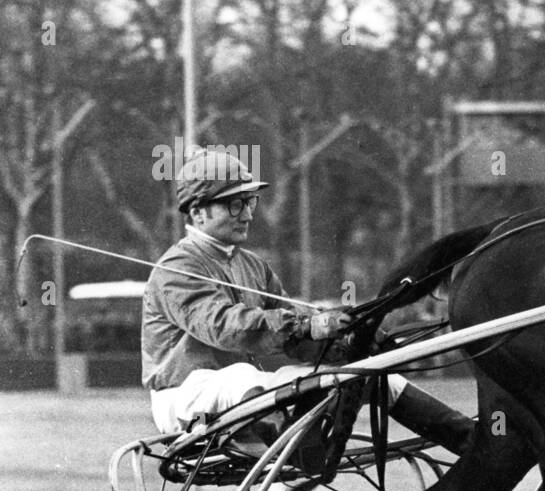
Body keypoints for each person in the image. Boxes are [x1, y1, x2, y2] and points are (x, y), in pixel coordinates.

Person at [142, 147, 474, 453]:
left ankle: (470, 442)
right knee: (242, 375)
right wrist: (306, 325)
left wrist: (347, 341)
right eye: (234, 204)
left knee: (366, 376)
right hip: (183, 397)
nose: (247, 215)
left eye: (249, 201)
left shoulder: (253, 266)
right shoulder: (177, 268)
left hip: (239, 400)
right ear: (198, 212)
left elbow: (297, 330)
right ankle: (300, 452)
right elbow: (225, 327)